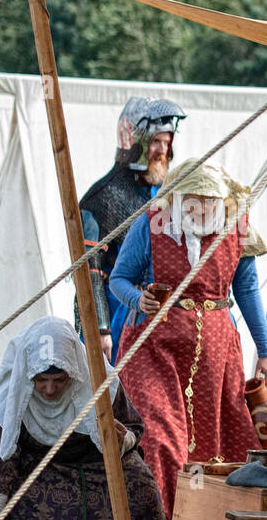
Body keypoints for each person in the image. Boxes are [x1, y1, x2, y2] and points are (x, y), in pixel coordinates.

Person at [110, 160, 267, 516]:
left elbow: (246, 288)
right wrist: (138, 298)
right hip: (155, 350)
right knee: (163, 441)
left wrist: (266, 350)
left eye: (209, 201)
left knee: (218, 449)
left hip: (215, 356)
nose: (202, 208)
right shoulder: (152, 224)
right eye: (193, 200)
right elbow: (119, 278)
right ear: (178, 197)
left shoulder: (236, 226)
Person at [0, 317, 169, 520]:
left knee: (140, 484)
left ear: (74, 371)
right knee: (21, 508)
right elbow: (4, 458)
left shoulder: (100, 380)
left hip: (96, 468)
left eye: (59, 380)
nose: (50, 389)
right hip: (40, 473)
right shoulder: (11, 392)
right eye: (41, 380)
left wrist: (123, 440)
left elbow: (134, 428)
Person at [79, 97, 186, 363]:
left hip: (157, 313)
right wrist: (101, 329)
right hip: (116, 312)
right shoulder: (101, 197)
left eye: (166, 142)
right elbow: (89, 272)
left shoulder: (167, 193)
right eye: (155, 142)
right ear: (135, 142)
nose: (162, 150)